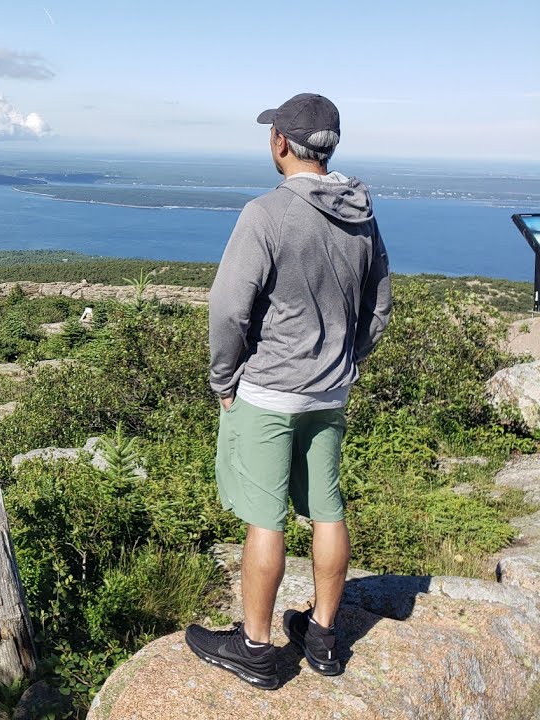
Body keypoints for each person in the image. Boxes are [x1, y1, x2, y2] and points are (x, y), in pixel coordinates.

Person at [183, 93, 392, 690]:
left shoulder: (266, 214)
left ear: (280, 143)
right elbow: (378, 307)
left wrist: (225, 379)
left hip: (270, 390)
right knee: (327, 507)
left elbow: (227, 310)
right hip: (330, 392)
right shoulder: (362, 213)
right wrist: (345, 360)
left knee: (265, 519)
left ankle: (255, 647)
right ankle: (323, 635)